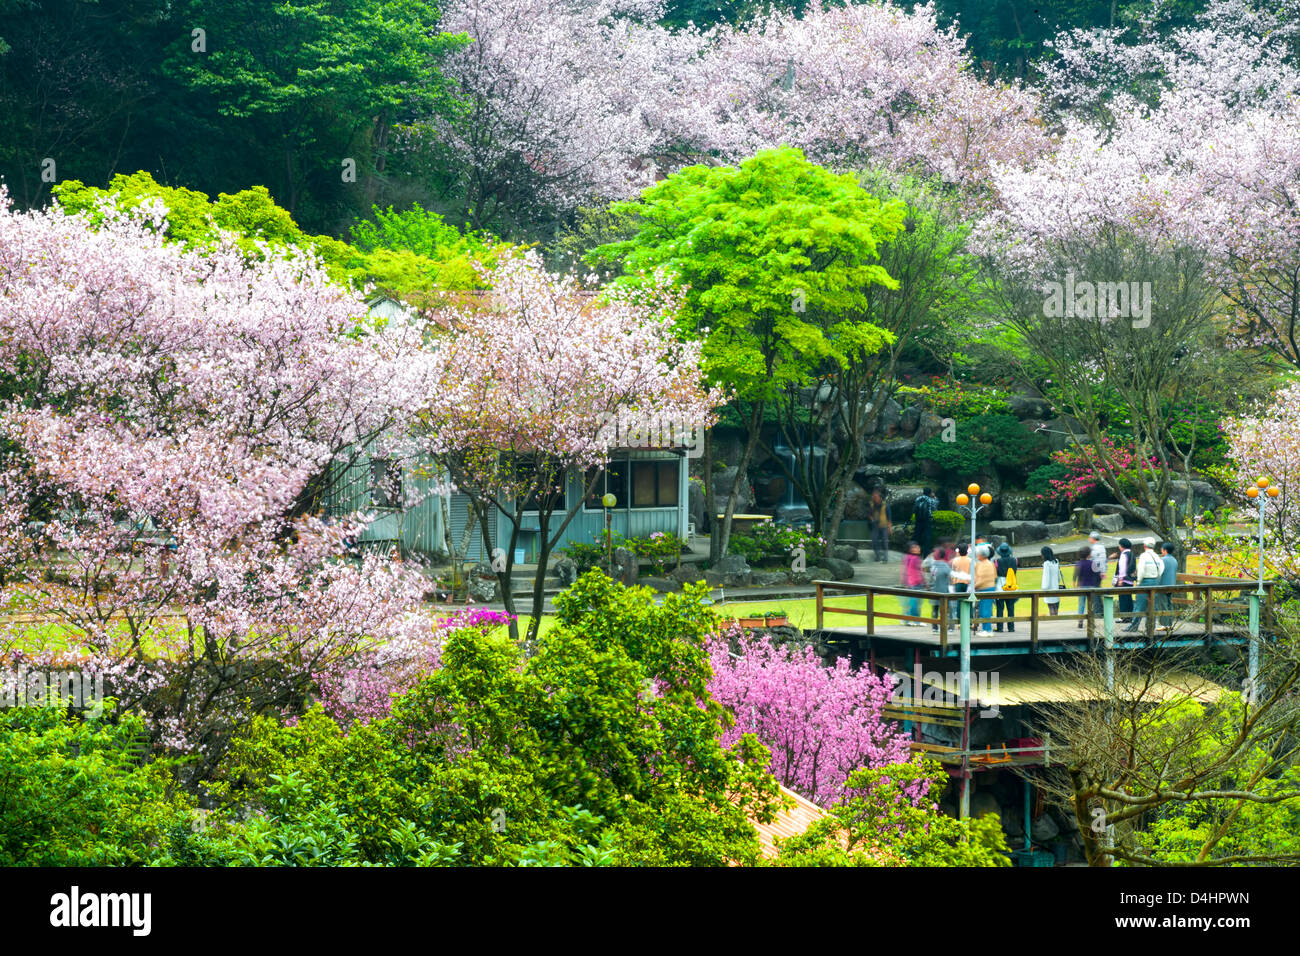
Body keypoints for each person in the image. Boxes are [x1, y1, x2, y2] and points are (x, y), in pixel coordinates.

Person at [1129, 537, 1163, 632]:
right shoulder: (1157, 556)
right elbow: (1161, 570)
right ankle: (1150, 626)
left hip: (1145, 582)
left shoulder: (1144, 556)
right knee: (1153, 605)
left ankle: (1134, 626)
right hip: (1155, 582)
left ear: (1144, 546)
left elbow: (1141, 570)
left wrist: (1139, 582)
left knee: (1139, 605)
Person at [925, 544, 952, 632]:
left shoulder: (933, 566)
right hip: (945, 591)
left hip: (935, 591)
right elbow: (950, 578)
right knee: (947, 611)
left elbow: (930, 578)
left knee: (935, 610)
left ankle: (935, 627)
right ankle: (949, 628)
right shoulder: (946, 566)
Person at [993, 541, 1019, 632]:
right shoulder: (1015, 560)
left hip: (1000, 587)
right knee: (1010, 607)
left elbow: (995, 573)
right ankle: (1011, 627)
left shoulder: (997, 561)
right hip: (1011, 585)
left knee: (1000, 608)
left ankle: (1000, 627)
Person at [1074, 545, 1101, 628]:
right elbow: (1097, 574)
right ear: (1089, 554)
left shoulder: (1078, 564)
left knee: (1081, 604)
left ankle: (1080, 621)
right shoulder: (1092, 563)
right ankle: (1091, 622)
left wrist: (1075, 585)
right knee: (1091, 605)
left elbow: (1075, 576)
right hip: (1091, 586)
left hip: (1081, 586)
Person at [1113, 537, 1137, 628]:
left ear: (1121, 546)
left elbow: (1122, 568)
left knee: (1122, 598)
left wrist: (1120, 580)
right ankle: (1130, 616)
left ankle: (1123, 617)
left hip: (1124, 580)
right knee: (1128, 598)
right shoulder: (1131, 554)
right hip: (1130, 580)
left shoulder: (1123, 555)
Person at [973, 544, 997, 632]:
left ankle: (987, 630)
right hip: (986, 588)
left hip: (986, 589)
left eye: (978, 554)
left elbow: (982, 579)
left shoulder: (984, 565)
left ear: (982, 555)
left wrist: (973, 587)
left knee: (985, 610)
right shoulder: (989, 564)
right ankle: (985, 629)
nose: (977, 555)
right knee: (984, 610)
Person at [901, 541, 925, 625]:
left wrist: (904, 582)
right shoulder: (915, 559)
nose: (917, 549)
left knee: (912, 602)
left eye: (917, 547)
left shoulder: (907, 557)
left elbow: (904, 571)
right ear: (909, 549)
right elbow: (920, 572)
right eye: (914, 547)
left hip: (911, 583)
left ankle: (906, 619)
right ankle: (916, 620)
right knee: (915, 603)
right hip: (916, 583)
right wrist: (925, 583)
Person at [912, 487, 939, 556]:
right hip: (927, 520)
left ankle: (914, 553)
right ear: (930, 493)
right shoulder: (930, 500)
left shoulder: (918, 499)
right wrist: (935, 497)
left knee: (916, 537)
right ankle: (925, 554)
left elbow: (914, 509)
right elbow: (935, 507)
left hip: (918, 520)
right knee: (927, 538)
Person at [1158, 541, 1179, 626]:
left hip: (1163, 585)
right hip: (1171, 585)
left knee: (1163, 605)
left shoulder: (1162, 560)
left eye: (1162, 549)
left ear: (1165, 550)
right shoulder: (1174, 560)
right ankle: (1170, 623)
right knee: (1169, 604)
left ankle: (1164, 625)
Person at [1040, 545, 1062, 616]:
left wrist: (1044, 588)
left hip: (1049, 590)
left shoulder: (1046, 564)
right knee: (1056, 609)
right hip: (1056, 588)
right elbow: (1059, 578)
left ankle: (1054, 624)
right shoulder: (1056, 562)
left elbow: (1046, 578)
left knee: (1051, 609)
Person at [870, 490, 891, 563]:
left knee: (885, 541)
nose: (874, 498)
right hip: (875, 526)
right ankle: (878, 556)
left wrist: (890, 528)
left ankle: (885, 558)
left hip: (884, 525)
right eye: (874, 497)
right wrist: (872, 520)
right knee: (874, 540)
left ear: (880, 497)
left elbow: (889, 518)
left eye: (876, 497)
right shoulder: (872, 505)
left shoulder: (886, 505)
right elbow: (870, 514)